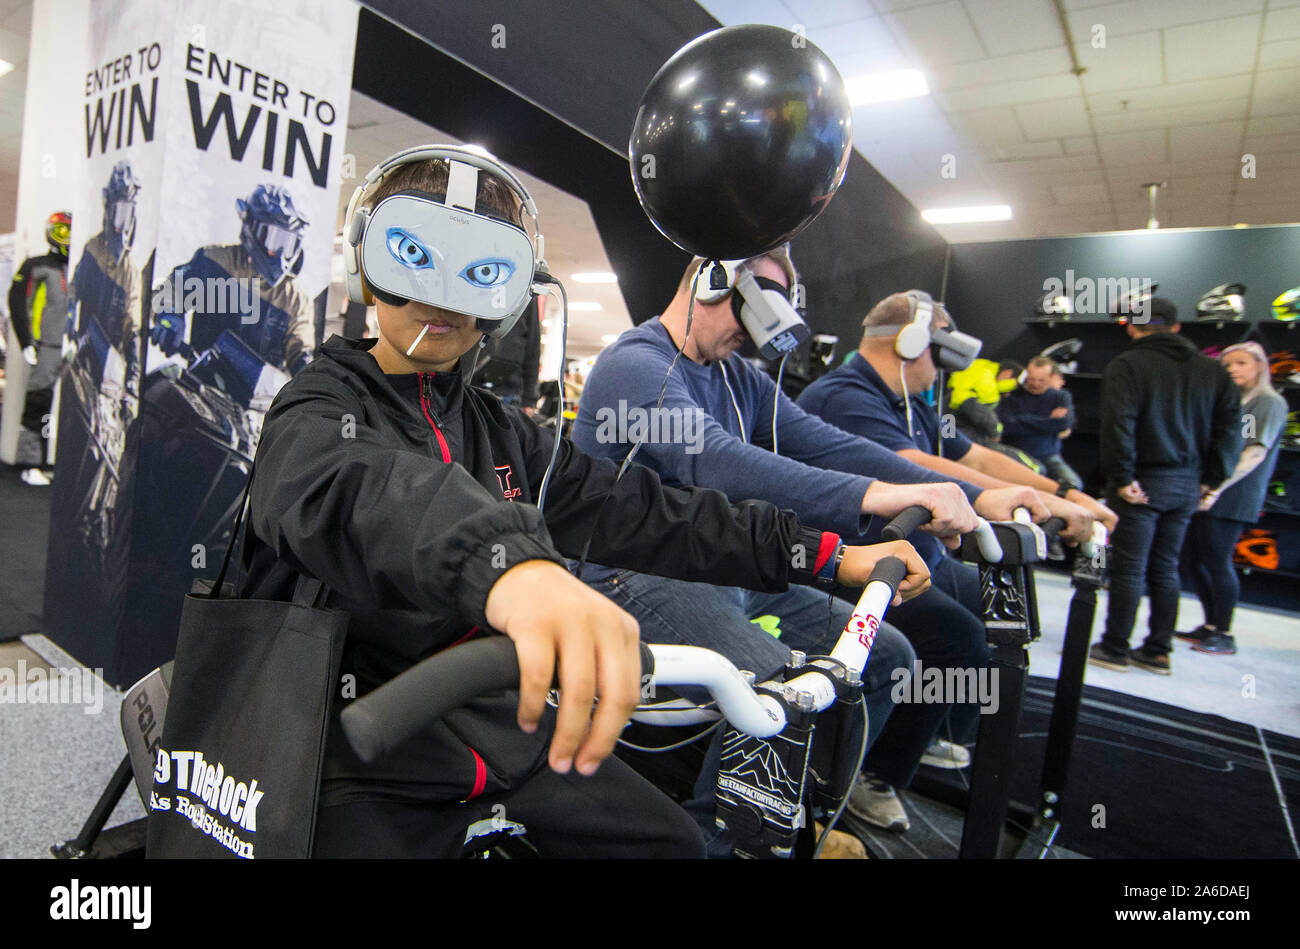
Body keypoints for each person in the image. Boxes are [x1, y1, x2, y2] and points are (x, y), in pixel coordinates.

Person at [236, 145, 934, 858]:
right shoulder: (318, 408)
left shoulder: (502, 431)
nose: (441, 298)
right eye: (413, 256)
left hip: (508, 732)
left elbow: (641, 508)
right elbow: (359, 489)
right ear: (365, 265)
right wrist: (512, 568)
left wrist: (821, 552)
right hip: (357, 748)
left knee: (671, 845)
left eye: (478, 271)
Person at [573, 254, 1048, 839]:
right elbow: (715, 459)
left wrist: (974, 497)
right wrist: (878, 495)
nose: (748, 338)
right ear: (709, 282)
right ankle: (717, 844)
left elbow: (829, 445)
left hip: (723, 564)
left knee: (885, 658)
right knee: (782, 696)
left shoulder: (734, 374)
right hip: (629, 572)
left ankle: (803, 817)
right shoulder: (636, 364)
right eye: (747, 317)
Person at [1091, 298, 1242, 674]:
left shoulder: (1127, 365)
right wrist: (1212, 480)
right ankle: (1158, 651)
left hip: (1141, 482)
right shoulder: (1214, 371)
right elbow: (1230, 431)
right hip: (1188, 483)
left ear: (1131, 327)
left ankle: (1114, 647)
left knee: (1129, 568)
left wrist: (1122, 477)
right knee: (1166, 567)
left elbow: (1118, 424)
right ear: (1175, 327)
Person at [1178, 342, 1288, 655]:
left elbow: (1253, 452)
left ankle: (1223, 633)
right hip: (1210, 489)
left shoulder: (1267, 402)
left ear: (1259, 366)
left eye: (1240, 363)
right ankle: (1210, 624)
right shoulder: (1233, 401)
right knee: (1192, 558)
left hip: (1233, 493)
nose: (1233, 370)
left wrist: (1217, 487)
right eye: (1227, 365)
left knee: (1216, 559)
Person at [151, 183, 314, 376]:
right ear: (251, 228)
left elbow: (302, 349)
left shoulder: (296, 301)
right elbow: (170, 292)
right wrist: (169, 318)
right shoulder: (214, 262)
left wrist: (309, 377)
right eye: (273, 239)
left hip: (258, 403)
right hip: (201, 387)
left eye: (288, 244)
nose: (279, 253)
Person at [7, 210, 72, 485]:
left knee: (68, 406)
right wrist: (26, 341)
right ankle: (30, 462)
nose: (65, 239)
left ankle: (55, 460)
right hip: (46, 346)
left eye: (69, 231)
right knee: (39, 401)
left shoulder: (81, 266)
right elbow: (19, 300)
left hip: (71, 347)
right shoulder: (38, 265)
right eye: (61, 231)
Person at [997, 356, 1082, 490]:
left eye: (1041, 380)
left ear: (1051, 377)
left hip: (1049, 455)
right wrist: (1048, 421)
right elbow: (1007, 425)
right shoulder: (1013, 394)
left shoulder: (1061, 396)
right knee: (1036, 475)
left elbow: (1063, 423)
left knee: (1073, 484)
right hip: (1017, 454)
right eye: (1032, 379)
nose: (1035, 384)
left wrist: (1023, 419)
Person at [470, 295, 542, 412]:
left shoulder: (526, 290)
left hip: (508, 393)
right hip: (468, 384)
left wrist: (529, 399)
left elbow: (532, 349)